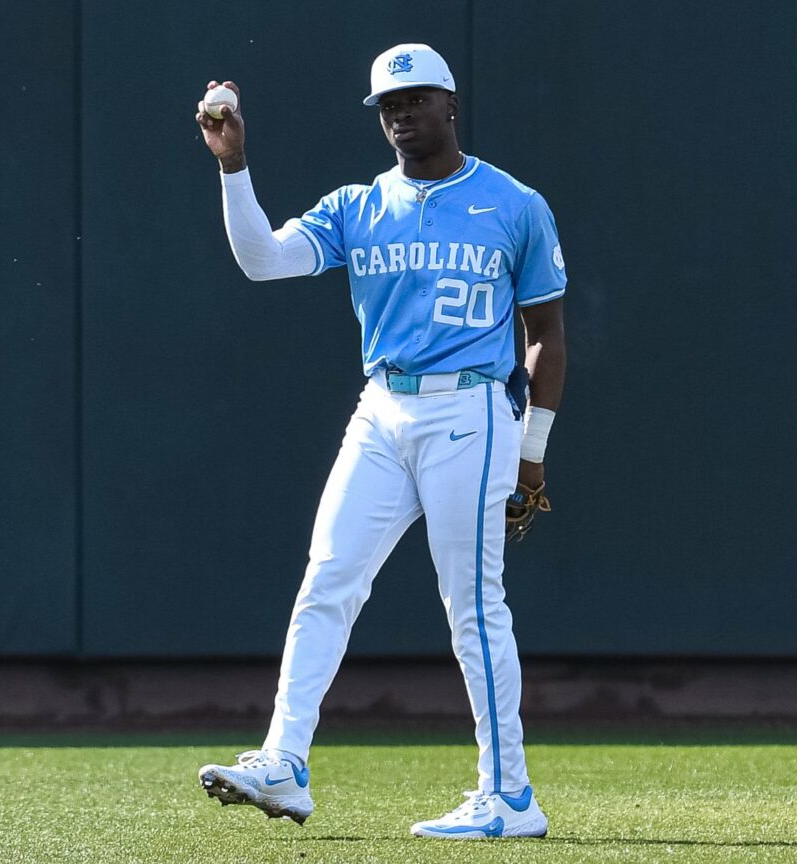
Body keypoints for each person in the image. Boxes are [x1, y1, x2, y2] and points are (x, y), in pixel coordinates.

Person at [192, 43, 566, 840]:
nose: (401, 114)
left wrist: (531, 450)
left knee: (472, 608)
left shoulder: (513, 202)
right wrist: (235, 166)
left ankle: (509, 795)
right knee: (327, 578)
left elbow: (547, 336)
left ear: (451, 104)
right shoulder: (357, 206)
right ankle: (285, 763)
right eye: (389, 105)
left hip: (470, 411)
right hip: (382, 407)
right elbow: (263, 261)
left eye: (417, 99)